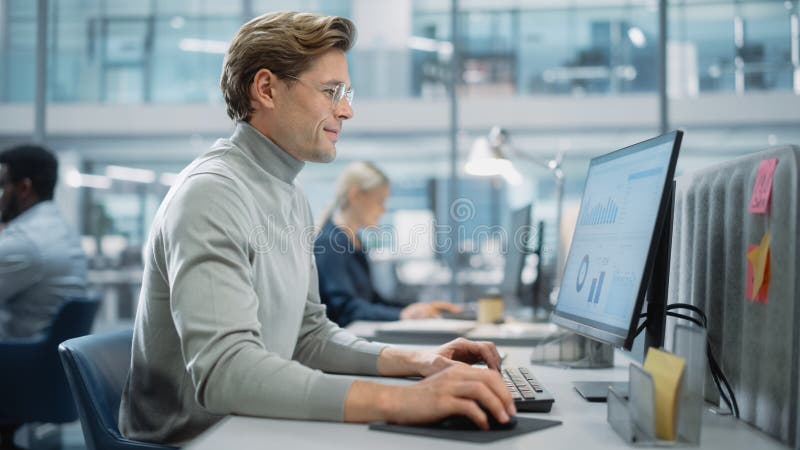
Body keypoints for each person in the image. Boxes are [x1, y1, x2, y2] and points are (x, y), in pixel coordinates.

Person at [119, 11, 514, 446]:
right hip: (201, 439)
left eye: (346, 93)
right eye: (331, 92)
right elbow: (226, 374)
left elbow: (308, 335)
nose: (346, 110)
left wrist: (421, 361)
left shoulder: (290, 196)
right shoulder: (211, 194)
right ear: (266, 88)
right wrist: (406, 401)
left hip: (253, 428)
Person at [315, 161, 461, 326]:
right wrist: (402, 314)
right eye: (379, 201)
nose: (383, 210)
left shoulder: (353, 241)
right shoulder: (330, 243)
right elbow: (345, 310)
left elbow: (370, 300)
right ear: (355, 195)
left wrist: (414, 310)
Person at [0, 144, 87, 339]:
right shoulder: (60, 229)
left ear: (24, 188)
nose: (1, 197)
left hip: (17, 359)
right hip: (46, 358)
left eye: (3, 186)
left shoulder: (25, 242)